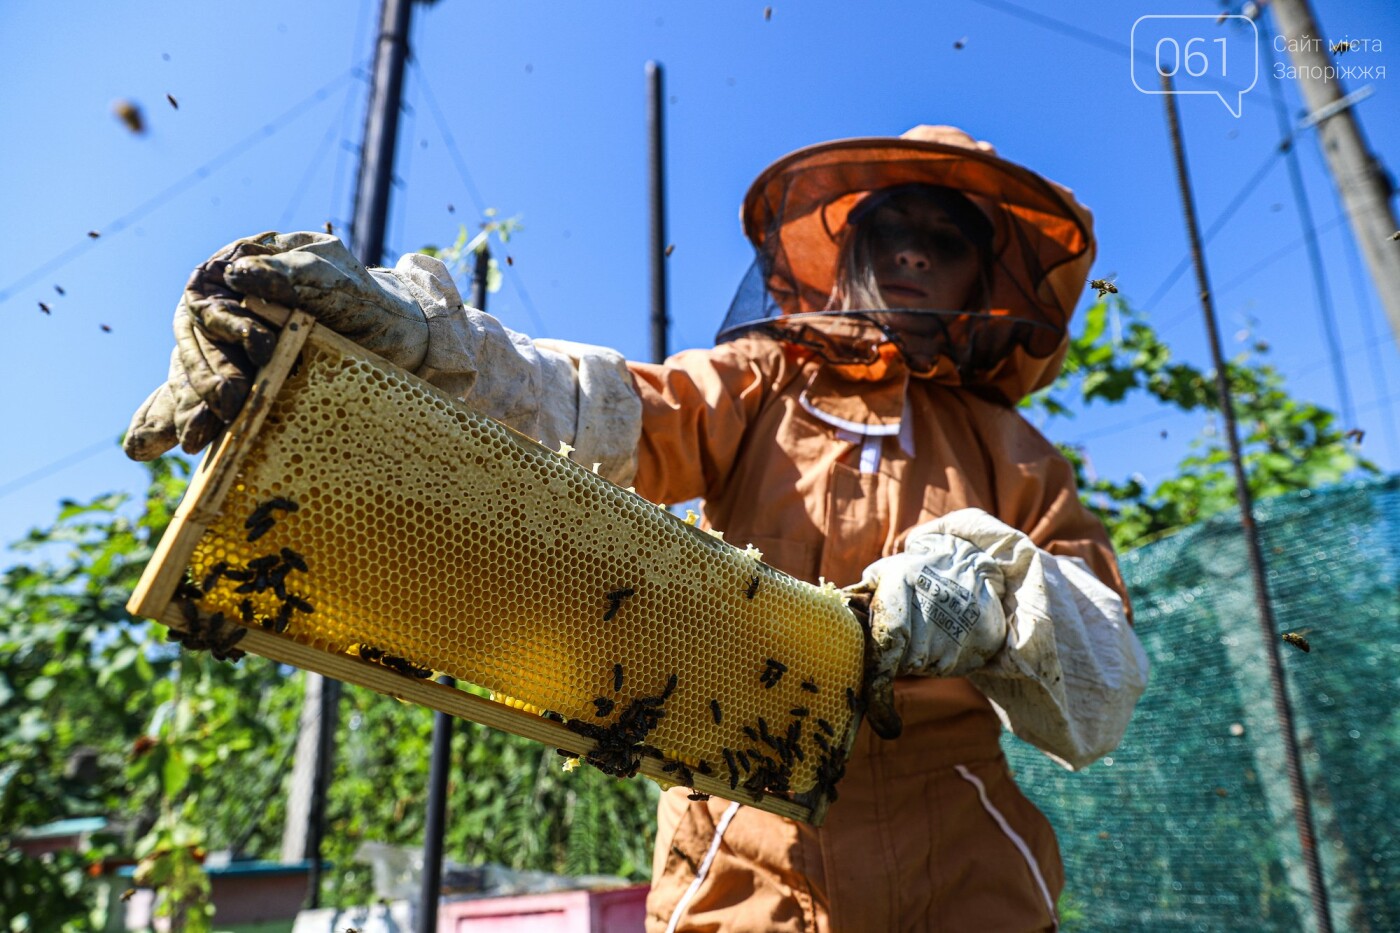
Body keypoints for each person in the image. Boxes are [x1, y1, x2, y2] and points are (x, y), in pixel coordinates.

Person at [125, 125, 1148, 932]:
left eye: (947, 239)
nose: (915, 253)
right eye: (890, 231)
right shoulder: (757, 386)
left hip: (966, 870)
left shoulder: (1012, 453)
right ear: (845, 258)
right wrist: (426, 347)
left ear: (985, 279)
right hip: (736, 850)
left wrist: (989, 595)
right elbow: (598, 415)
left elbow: (1101, 676)